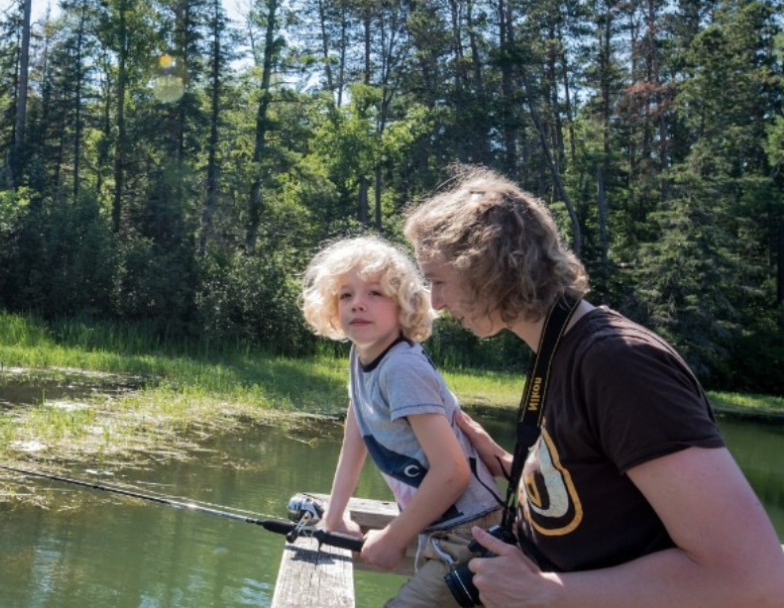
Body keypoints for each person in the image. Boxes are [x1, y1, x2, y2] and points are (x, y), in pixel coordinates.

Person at [402, 165, 784, 608]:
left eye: (439, 280)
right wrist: (518, 467)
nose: (436, 302)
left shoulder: (620, 363)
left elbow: (755, 578)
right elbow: (602, 496)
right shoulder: (559, 349)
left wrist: (546, 592)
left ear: (485, 269)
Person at [300, 235, 503, 608]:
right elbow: (355, 436)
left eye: (375, 293)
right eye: (345, 295)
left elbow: (452, 471)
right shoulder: (362, 355)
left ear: (404, 305)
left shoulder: (401, 367)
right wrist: (334, 517)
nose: (358, 303)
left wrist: (393, 538)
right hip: (437, 525)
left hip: (468, 532)